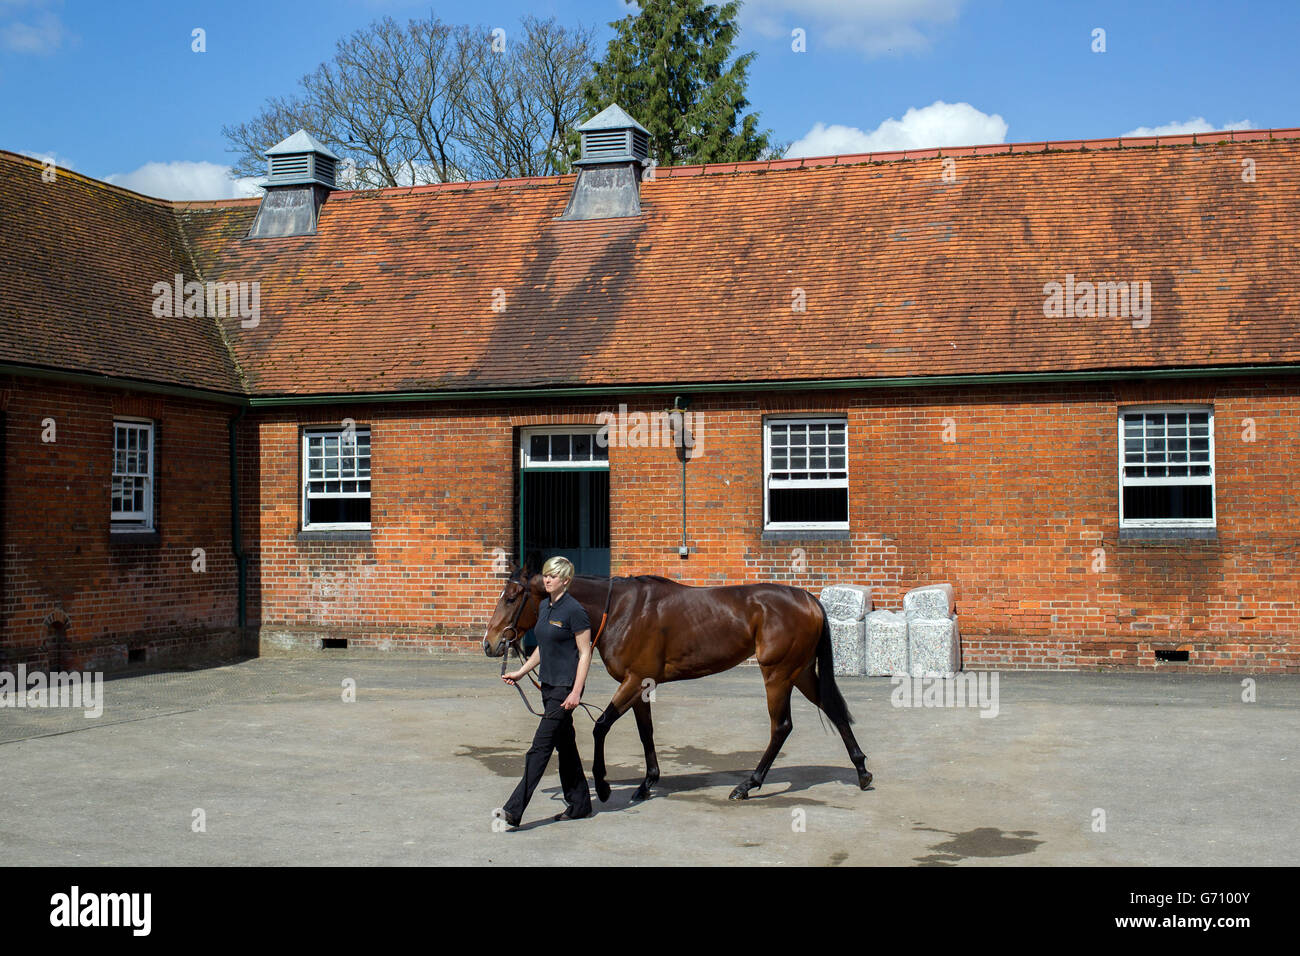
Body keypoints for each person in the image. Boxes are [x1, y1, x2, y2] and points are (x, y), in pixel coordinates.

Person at [499, 556, 594, 826]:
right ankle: (580, 803)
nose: (548, 579)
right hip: (548, 684)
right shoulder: (544, 607)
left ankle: (513, 810)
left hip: (565, 688)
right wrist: (521, 671)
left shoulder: (575, 611)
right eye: (546, 575)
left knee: (539, 749)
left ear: (565, 580)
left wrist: (576, 691)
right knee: (566, 745)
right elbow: (543, 647)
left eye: (554, 576)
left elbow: (585, 653)